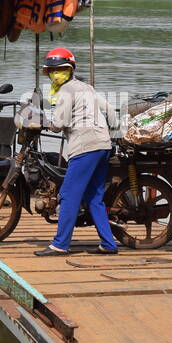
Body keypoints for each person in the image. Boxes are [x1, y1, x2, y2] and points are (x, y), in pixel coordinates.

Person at [34, 47, 119, 257]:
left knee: (68, 195)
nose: (56, 73)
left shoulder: (64, 91)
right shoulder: (86, 88)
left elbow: (60, 122)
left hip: (84, 147)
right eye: (53, 70)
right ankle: (109, 244)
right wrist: (114, 133)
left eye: (60, 69)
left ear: (70, 69)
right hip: (103, 145)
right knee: (93, 196)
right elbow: (109, 110)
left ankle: (60, 244)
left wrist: (46, 124)